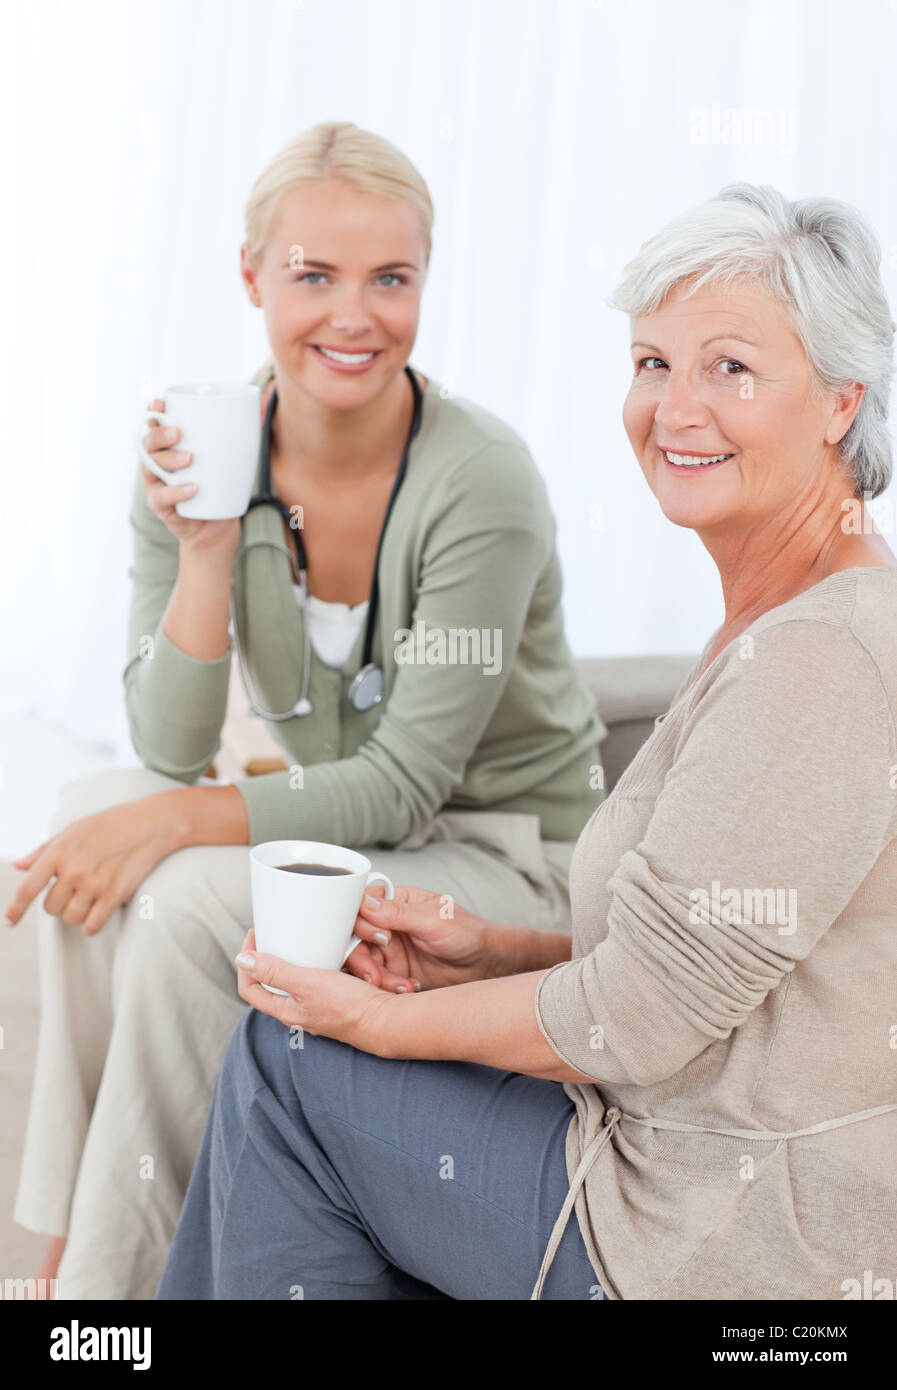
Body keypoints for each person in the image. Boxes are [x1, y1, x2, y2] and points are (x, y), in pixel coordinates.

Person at [158, 182, 897, 1301]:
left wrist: (380, 1023)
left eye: (730, 368)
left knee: (293, 1058)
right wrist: (491, 951)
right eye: (653, 362)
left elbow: (642, 1015)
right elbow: (700, 958)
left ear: (842, 401)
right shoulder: (782, 623)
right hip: (686, 1167)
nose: (675, 408)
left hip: (715, 1244)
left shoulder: (822, 658)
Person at [6, 121, 603, 1299]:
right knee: (89, 820)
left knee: (179, 893)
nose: (354, 316)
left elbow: (401, 786)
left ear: (425, 283)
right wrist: (205, 555)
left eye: (391, 279)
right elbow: (168, 746)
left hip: (499, 854)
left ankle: (111, 1299)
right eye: (313, 276)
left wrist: (176, 824)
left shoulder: (480, 477)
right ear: (250, 276)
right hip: (364, 832)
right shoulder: (201, 449)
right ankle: (71, 1238)